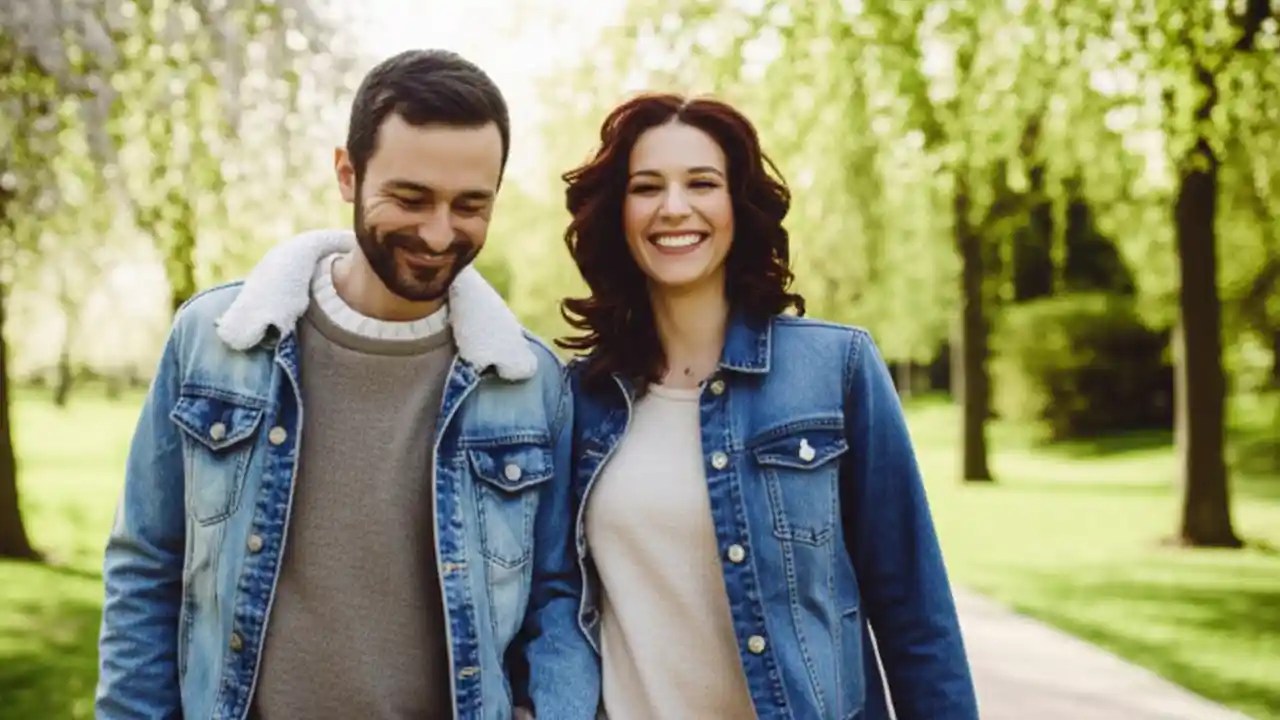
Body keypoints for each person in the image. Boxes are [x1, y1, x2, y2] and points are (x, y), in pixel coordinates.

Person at [95, 49, 597, 720]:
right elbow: (146, 567)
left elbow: (557, 597)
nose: (439, 232)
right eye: (411, 198)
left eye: (470, 204)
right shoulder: (214, 341)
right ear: (347, 173)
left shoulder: (532, 386)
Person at [558, 93, 979, 720]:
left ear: (738, 205)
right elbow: (554, 601)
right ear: (616, 213)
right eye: (647, 187)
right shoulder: (577, 398)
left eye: (702, 183)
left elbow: (914, 611)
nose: (675, 208)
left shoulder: (836, 369)